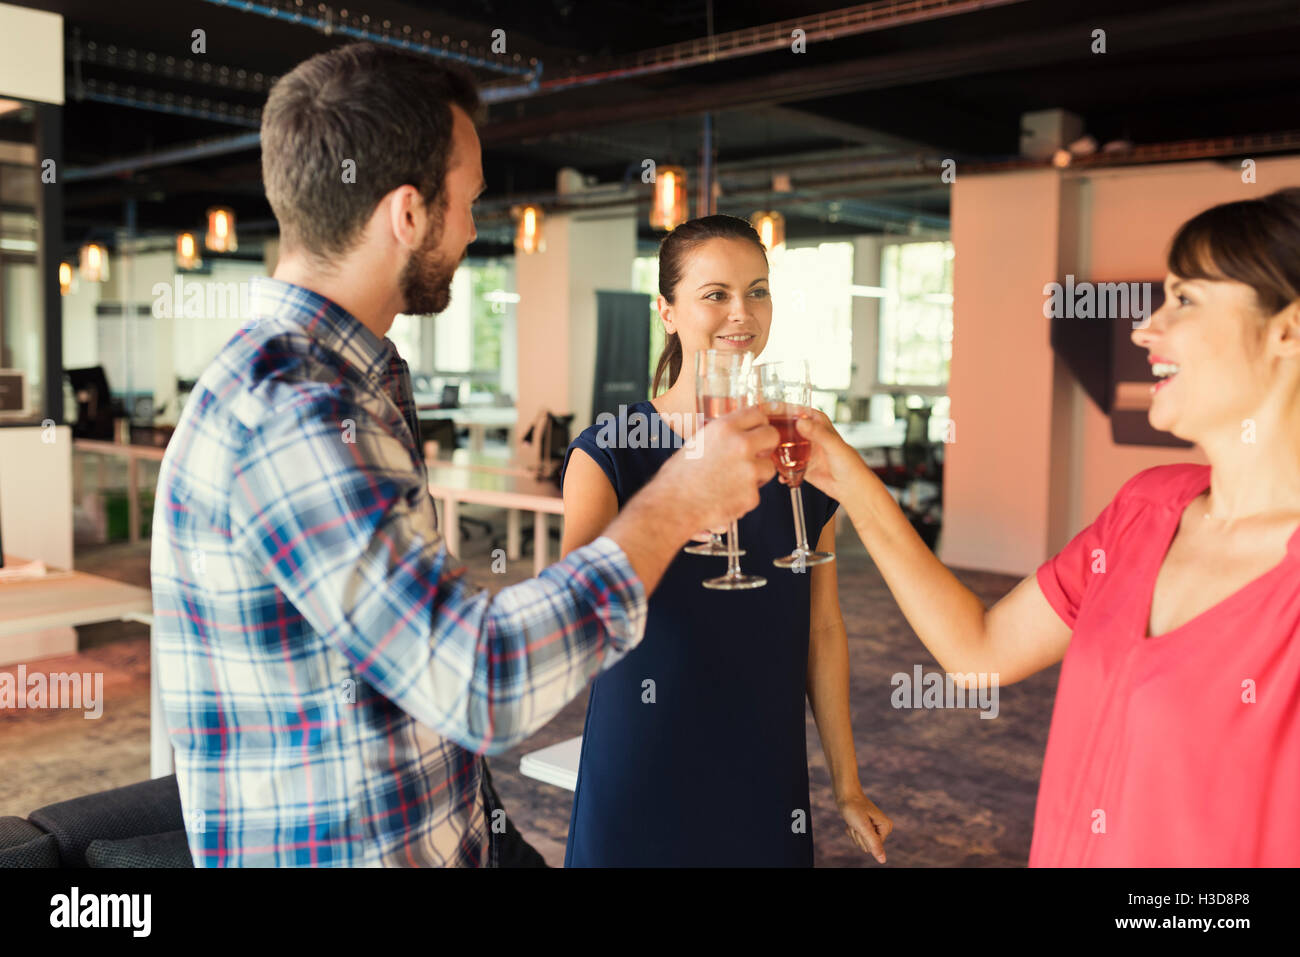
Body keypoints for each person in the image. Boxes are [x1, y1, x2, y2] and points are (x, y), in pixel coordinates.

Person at [149, 43, 779, 867]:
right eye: (470, 202)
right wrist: (681, 498)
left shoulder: (349, 379)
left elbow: (406, 651)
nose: (478, 227)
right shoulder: (293, 409)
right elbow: (480, 679)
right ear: (408, 214)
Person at [791, 188, 1300, 866]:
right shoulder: (1145, 510)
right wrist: (850, 478)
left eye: (1185, 299)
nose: (1146, 328)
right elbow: (979, 650)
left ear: (1287, 331)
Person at [560, 215, 893, 866]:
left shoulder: (802, 453)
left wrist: (846, 784)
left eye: (758, 290)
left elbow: (821, 628)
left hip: (763, 759)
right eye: (715, 294)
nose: (742, 312)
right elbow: (573, 622)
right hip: (645, 752)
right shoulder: (609, 453)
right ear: (667, 311)